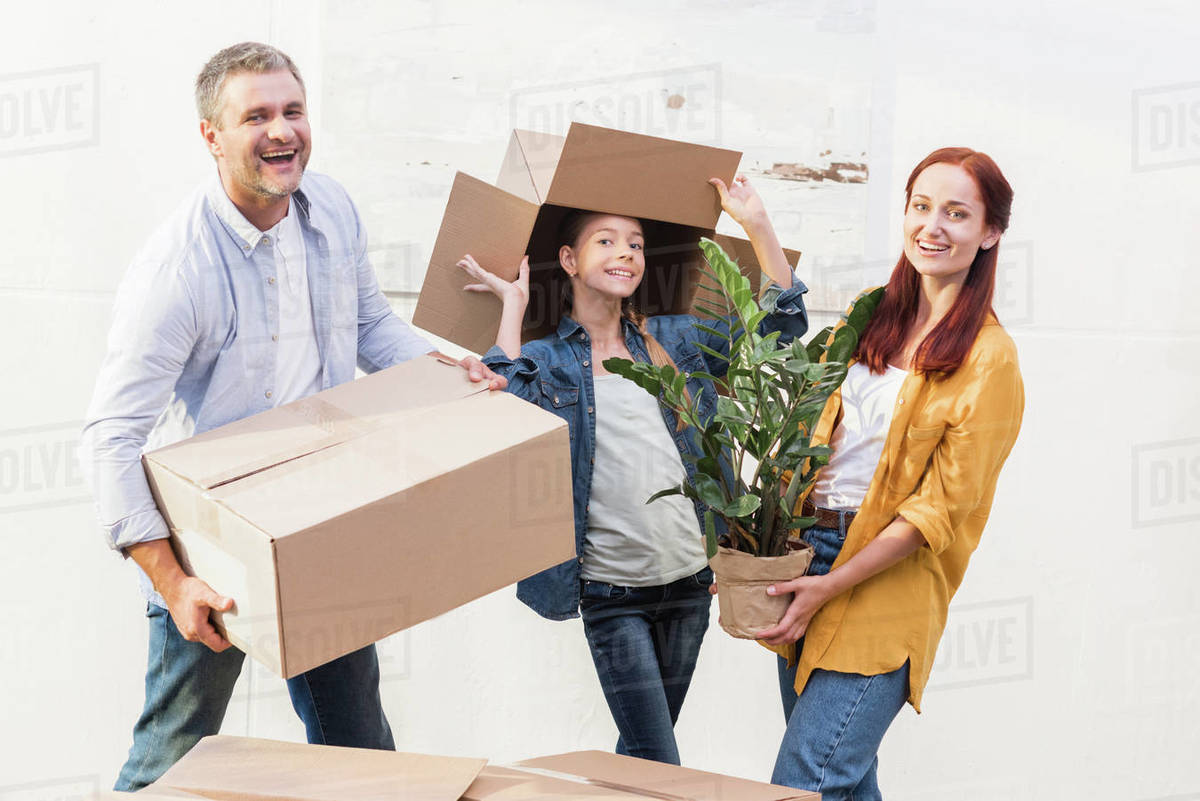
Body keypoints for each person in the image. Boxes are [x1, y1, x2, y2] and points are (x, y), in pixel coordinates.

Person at [78, 42, 504, 791]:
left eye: (293, 111)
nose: (282, 131)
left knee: (360, 752)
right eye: (257, 116)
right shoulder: (177, 273)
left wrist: (446, 372)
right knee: (168, 762)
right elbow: (109, 439)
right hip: (212, 554)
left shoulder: (330, 208)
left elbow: (370, 323)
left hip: (322, 526)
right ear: (211, 136)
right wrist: (175, 583)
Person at [456, 175, 809, 764]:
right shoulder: (548, 359)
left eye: (636, 244)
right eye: (606, 241)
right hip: (611, 592)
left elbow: (776, 327)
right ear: (568, 259)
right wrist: (511, 308)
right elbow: (504, 422)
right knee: (658, 757)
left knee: (643, 761)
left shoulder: (675, 335)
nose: (625, 253)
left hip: (691, 584)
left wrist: (758, 225)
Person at [753, 147, 1024, 799]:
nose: (933, 225)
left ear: (989, 232)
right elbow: (795, 387)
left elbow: (936, 510)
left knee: (808, 780)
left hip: (885, 583)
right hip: (809, 555)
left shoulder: (991, 361)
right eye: (922, 206)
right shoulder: (871, 313)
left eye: (957, 213)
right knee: (845, 780)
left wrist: (834, 584)